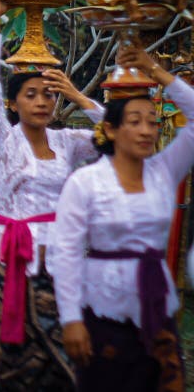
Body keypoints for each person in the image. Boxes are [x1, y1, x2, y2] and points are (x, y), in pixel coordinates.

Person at [0, 0, 105, 390]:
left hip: (64, 266)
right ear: (14, 103)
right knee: (17, 368)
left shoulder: (67, 143)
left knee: (66, 370)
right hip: (11, 264)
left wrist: (78, 95)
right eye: (31, 94)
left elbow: (115, 136)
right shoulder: (2, 141)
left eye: (48, 96)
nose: (42, 102)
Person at [51, 47, 193, 392]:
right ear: (111, 129)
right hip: (102, 313)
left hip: (158, 312)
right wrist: (71, 319)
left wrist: (156, 71)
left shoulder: (163, 171)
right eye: (135, 122)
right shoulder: (86, 182)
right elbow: (65, 253)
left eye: (152, 121)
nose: (147, 130)